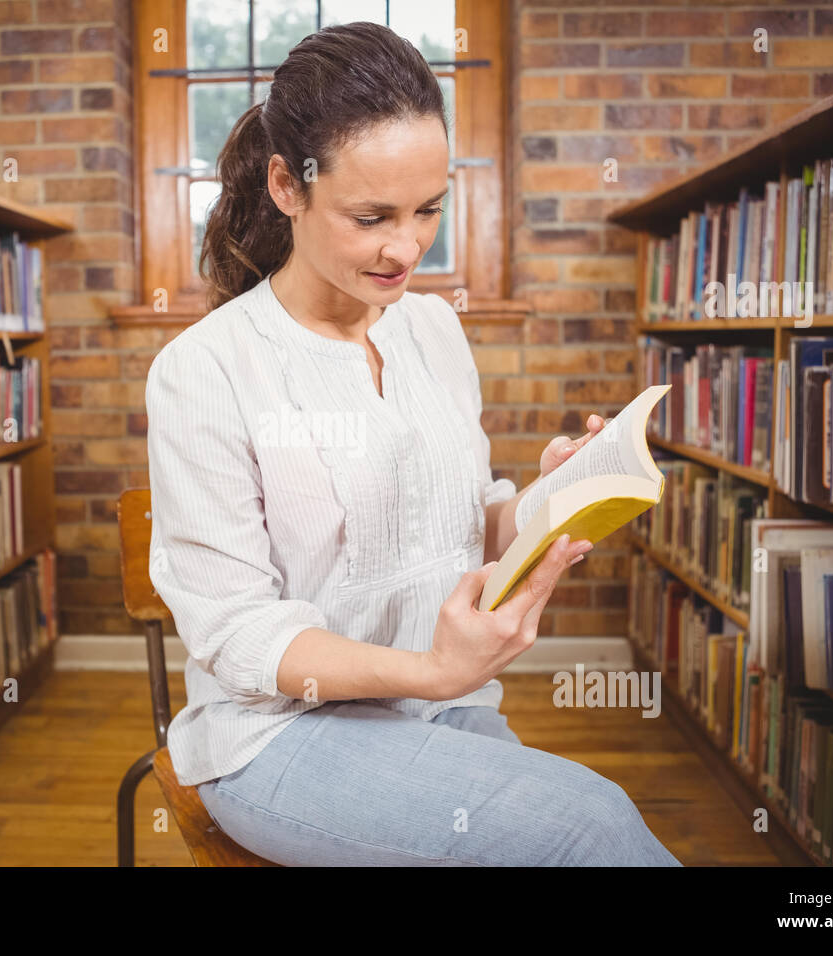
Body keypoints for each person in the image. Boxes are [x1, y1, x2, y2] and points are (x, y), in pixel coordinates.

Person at [144, 20, 680, 866]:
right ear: (288, 186)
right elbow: (240, 638)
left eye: (429, 209)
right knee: (588, 824)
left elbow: (471, 529)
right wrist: (435, 668)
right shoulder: (204, 370)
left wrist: (550, 497)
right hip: (278, 738)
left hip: (436, 707)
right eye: (371, 216)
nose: (407, 248)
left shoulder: (432, 328)